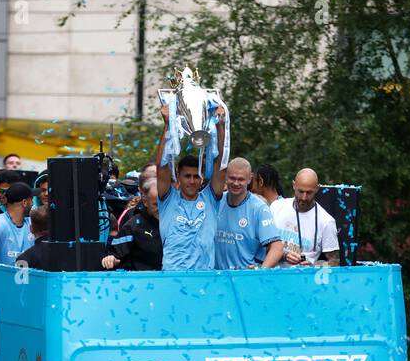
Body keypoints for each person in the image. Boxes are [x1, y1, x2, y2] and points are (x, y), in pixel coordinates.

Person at [154, 101, 228, 271]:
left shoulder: (210, 199)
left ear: (202, 178)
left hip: (204, 278)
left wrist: (220, 127)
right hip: (173, 277)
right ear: (178, 178)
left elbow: (220, 166)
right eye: (187, 176)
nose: (192, 181)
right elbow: (161, 167)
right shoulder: (168, 198)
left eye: (196, 176)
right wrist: (167, 125)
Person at [213, 157, 283, 269]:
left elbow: (277, 247)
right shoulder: (216, 202)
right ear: (226, 176)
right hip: (217, 278)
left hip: (245, 279)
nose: (236, 183)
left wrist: (259, 272)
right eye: (232, 178)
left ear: (250, 179)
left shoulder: (259, 208)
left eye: (241, 179)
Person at [270, 168, 339, 266]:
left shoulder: (326, 221)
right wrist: (284, 255)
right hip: (273, 276)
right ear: (294, 185)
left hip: (305, 278)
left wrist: (314, 267)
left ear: (317, 188)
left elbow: (334, 261)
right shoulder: (276, 207)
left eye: (309, 192)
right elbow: (263, 247)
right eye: (300, 191)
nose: (304, 197)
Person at [102, 179, 162, 271]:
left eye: (164, 204)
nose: (160, 209)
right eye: (156, 204)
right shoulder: (133, 226)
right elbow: (115, 254)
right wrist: (111, 259)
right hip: (142, 280)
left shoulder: (177, 222)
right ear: (145, 202)